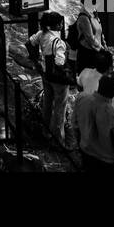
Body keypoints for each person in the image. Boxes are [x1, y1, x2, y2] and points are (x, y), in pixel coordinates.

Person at [27, 11, 72, 147]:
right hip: (58, 80)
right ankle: (58, 140)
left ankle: (45, 132)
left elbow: (29, 43)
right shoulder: (59, 42)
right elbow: (59, 63)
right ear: (58, 25)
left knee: (47, 102)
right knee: (60, 108)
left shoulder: (41, 34)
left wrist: (37, 62)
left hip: (46, 75)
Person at [73, 73, 114, 172]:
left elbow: (74, 124)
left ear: (99, 86)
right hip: (107, 163)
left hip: (85, 153)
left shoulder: (81, 98)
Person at [71, 0, 107, 74]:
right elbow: (90, 38)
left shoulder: (94, 14)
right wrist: (101, 49)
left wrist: (104, 45)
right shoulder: (84, 17)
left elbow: (100, 32)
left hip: (96, 51)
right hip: (87, 54)